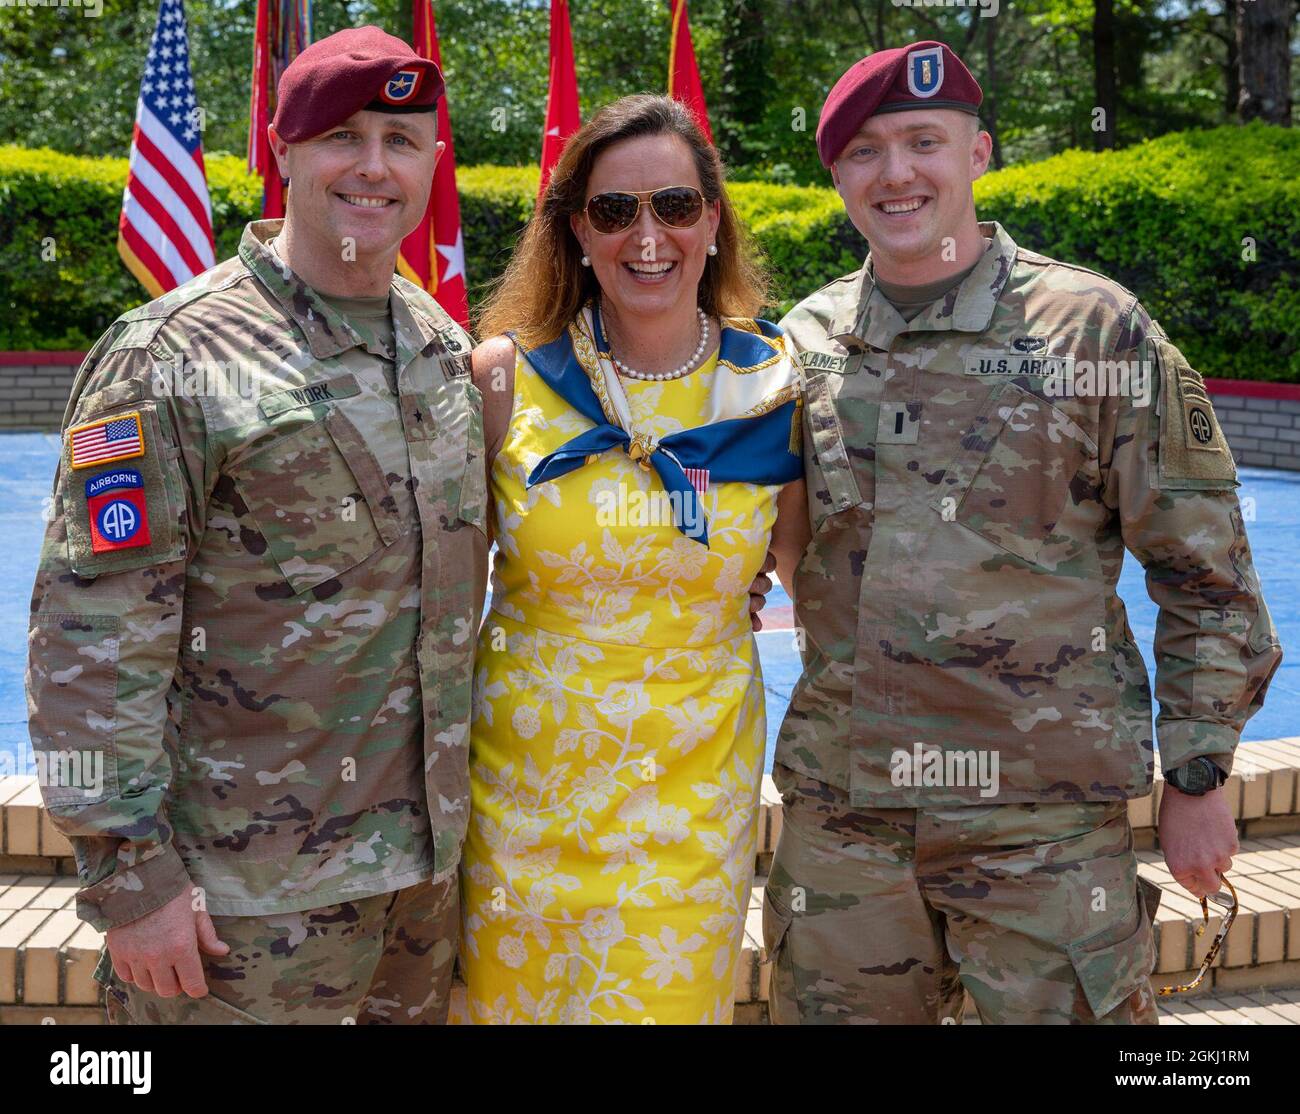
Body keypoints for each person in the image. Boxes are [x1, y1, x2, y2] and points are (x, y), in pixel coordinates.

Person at [764, 40, 1282, 1025]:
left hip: (1041, 826)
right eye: (864, 152)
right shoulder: (802, 343)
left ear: (979, 153)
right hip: (847, 829)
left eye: (924, 141)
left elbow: (1207, 574)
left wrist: (1200, 771)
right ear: (836, 177)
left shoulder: (1097, 330)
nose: (897, 172)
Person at [25, 26, 488, 1024]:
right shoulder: (171, 355)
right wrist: (129, 878)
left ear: (432, 162)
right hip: (236, 905)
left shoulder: (443, 346)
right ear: (282, 151)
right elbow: (90, 633)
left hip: (416, 888)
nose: (374, 166)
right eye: (342, 137)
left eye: (402, 140)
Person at [458, 94, 810, 1024]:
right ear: (577, 230)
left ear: (714, 220)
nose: (647, 235)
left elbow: (827, 600)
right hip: (519, 797)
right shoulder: (502, 379)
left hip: (689, 799)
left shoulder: (775, 390)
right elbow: (434, 595)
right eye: (616, 211)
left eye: (675, 206)